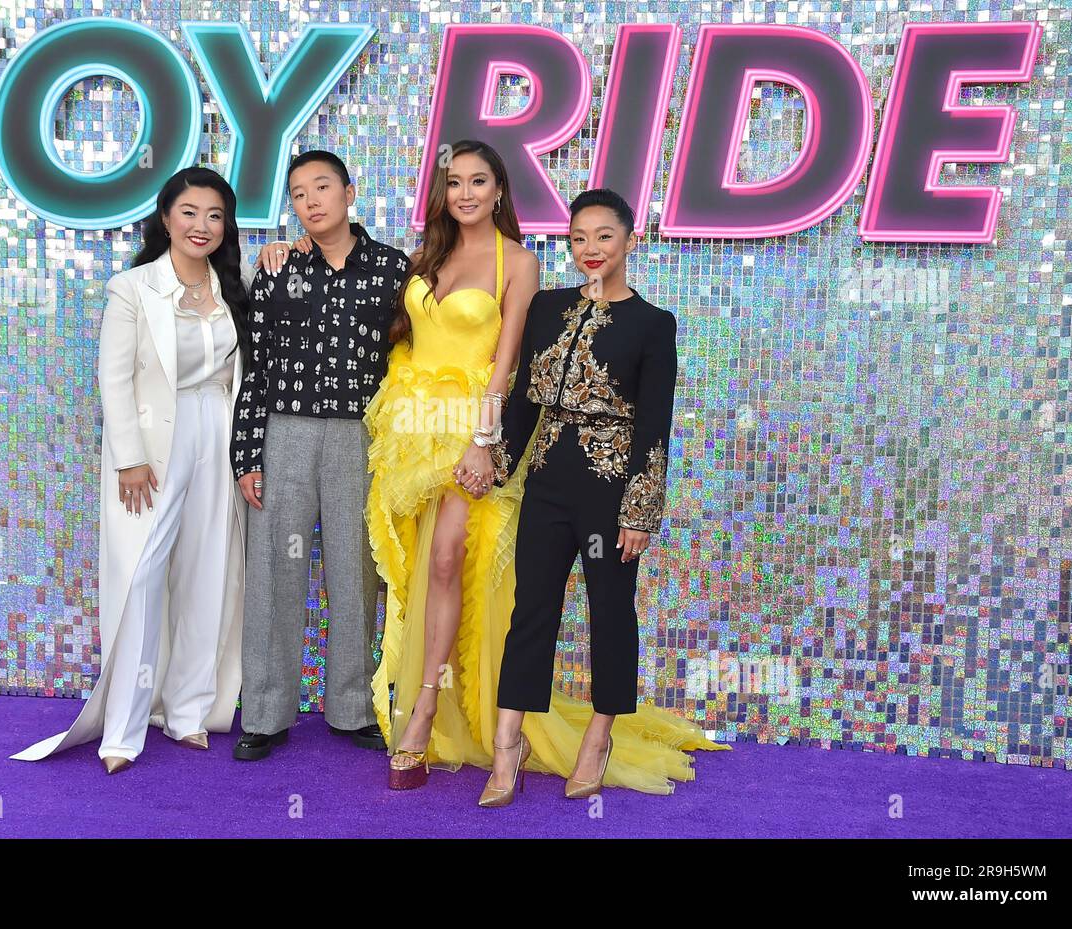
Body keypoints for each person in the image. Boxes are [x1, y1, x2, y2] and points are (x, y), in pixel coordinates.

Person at [473, 188, 731, 805]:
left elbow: (654, 426)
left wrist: (640, 510)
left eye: (604, 237)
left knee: (610, 612)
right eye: (579, 238)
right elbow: (521, 404)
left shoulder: (652, 324)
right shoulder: (546, 308)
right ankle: (509, 745)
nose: (590, 250)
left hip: (611, 490)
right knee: (530, 608)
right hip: (547, 480)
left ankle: (599, 734)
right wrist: (490, 460)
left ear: (629, 241)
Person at [12, 167, 256, 773]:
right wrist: (128, 457)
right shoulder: (133, 287)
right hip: (150, 445)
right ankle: (121, 729)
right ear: (166, 217)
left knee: (208, 571)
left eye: (216, 215)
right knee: (142, 578)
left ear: (227, 226)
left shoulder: (236, 287)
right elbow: (113, 377)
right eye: (190, 212)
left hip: (217, 435)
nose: (202, 226)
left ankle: (189, 711)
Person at [363, 138, 541, 788]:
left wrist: (482, 443)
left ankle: (425, 716)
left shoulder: (518, 262)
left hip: (472, 426)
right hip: (412, 430)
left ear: (499, 191)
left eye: (479, 181)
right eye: (455, 182)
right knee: (417, 567)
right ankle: (417, 707)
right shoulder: (426, 256)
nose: (465, 193)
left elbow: (506, 364)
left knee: (449, 556)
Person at [230, 150, 409, 760]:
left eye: (323, 187)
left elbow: (409, 363)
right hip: (284, 432)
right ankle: (265, 712)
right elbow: (255, 366)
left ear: (349, 192)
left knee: (354, 570)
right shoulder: (277, 270)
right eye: (299, 192)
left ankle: (353, 707)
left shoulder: (392, 270)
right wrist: (247, 454)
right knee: (274, 573)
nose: (312, 201)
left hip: (358, 435)